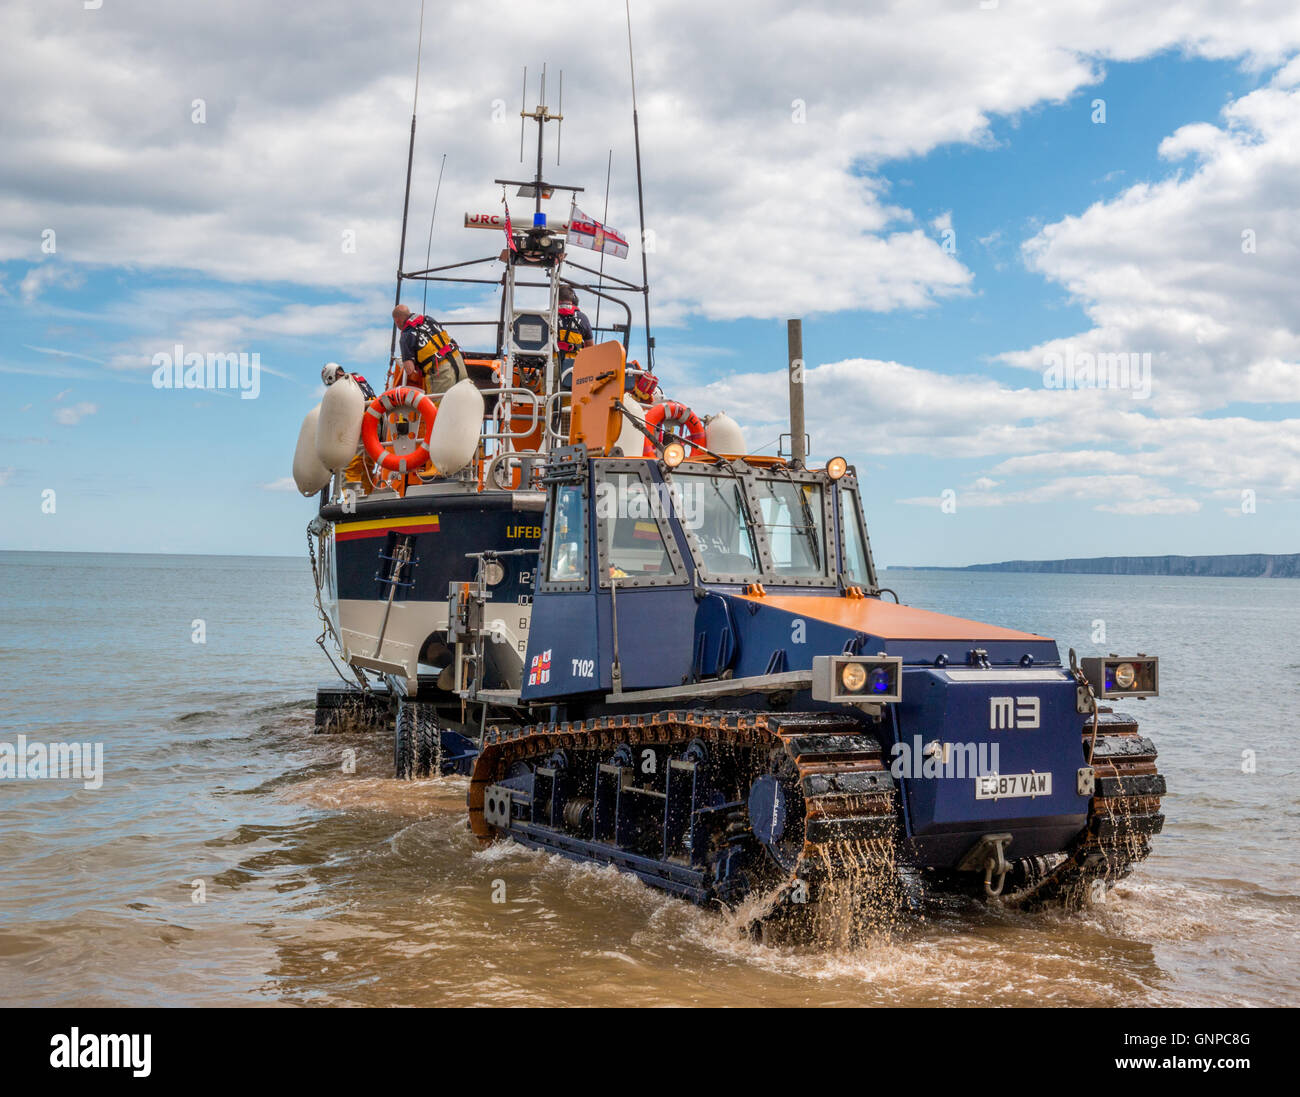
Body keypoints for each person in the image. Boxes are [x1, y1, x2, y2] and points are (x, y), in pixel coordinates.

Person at [392, 305, 464, 395]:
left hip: (442, 372)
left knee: (437, 406)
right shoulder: (429, 319)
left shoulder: (406, 336)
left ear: (397, 320)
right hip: (458, 361)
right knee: (463, 400)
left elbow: (410, 370)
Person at [555, 286, 593, 392]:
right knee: (570, 399)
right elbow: (590, 347)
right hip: (574, 365)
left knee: (548, 397)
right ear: (574, 300)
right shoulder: (583, 318)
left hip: (552, 363)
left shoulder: (548, 315)